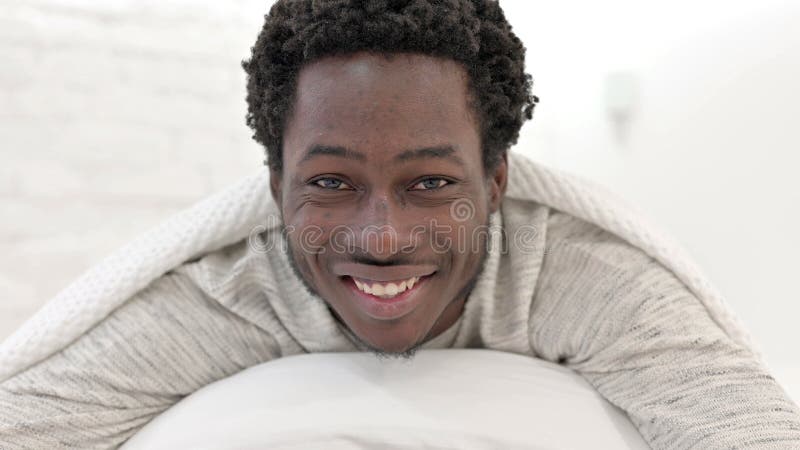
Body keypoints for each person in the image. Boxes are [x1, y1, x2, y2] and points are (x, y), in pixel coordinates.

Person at [2, 1, 799, 448]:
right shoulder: (230, 292)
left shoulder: (582, 278)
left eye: (429, 183)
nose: (381, 237)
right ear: (274, 187)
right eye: (330, 182)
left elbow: (744, 430)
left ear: (495, 182)